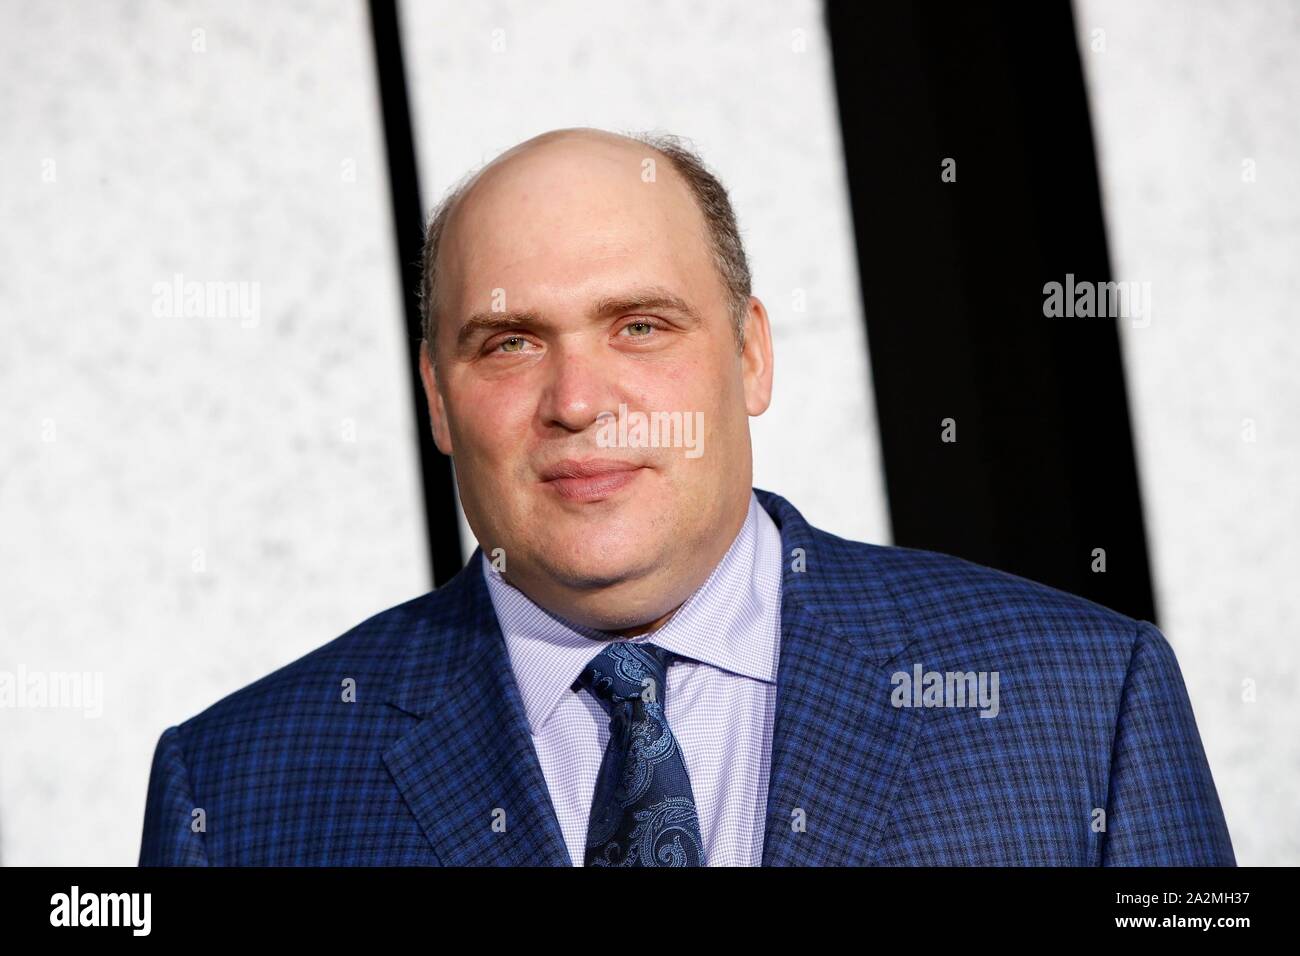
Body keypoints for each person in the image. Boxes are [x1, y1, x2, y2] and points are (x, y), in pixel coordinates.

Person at [139, 127, 1233, 866]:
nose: (577, 400)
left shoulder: (1084, 704)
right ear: (436, 397)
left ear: (750, 356)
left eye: (641, 326)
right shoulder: (234, 793)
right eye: (510, 342)